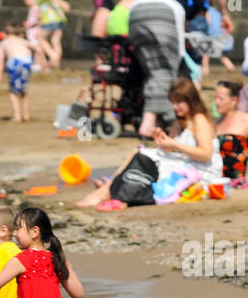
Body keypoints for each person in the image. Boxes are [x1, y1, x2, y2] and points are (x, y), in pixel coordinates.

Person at [77, 77, 217, 208]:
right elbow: (171, 150)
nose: (175, 106)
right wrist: (162, 140)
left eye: (179, 102)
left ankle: (106, 189)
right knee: (140, 152)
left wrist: (173, 145)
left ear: (190, 100)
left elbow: (206, 154)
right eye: (173, 102)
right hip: (183, 163)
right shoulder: (179, 121)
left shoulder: (199, 119)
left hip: (200, 169)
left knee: (143, 156)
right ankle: (109, 187)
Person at [125, 0, 205, 139]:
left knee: (151, 70)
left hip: (136, 13)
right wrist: (188, 14)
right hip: (166, 13)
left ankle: (154, 119)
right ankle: (152, 121)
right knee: (166, 69)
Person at [214, 80, 248, 183]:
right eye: (215, 98)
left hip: (236, 180)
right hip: (214, 178)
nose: (216, 102)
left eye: (220, 98)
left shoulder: (246, 120)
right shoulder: (214, 123)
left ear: (234, 100)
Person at [22, 0, 70, 70]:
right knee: (55, 41)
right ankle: (56, 63)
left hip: (49, 19)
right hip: (59, 18)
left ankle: (53, 56)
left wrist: (63, 3)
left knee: (40, 38)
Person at [0, 22, 35, 123]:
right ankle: (26, 115)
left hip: (14, 63)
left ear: (4, 33)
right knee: (24, 90)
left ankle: (17, 116)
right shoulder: (22, 41)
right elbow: (37, 48)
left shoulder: (2, 43)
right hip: (27, 62)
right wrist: (43, 62)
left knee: (13, 91)